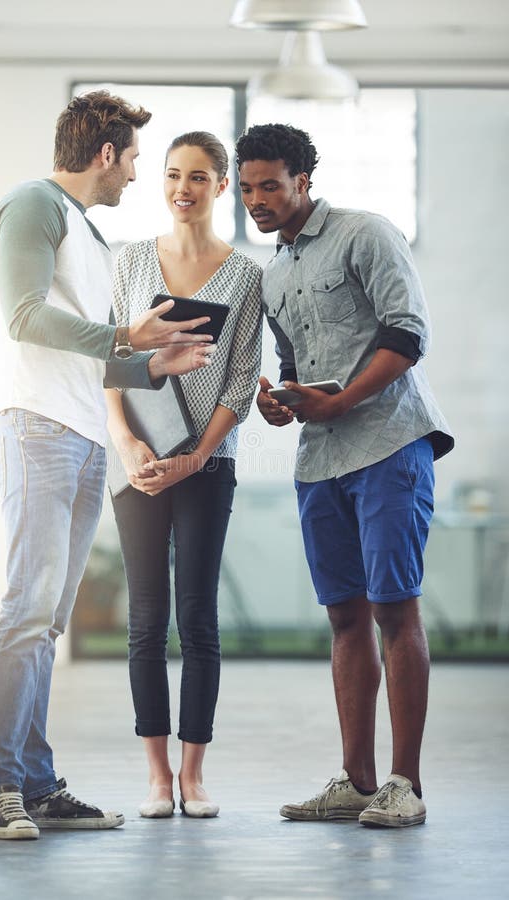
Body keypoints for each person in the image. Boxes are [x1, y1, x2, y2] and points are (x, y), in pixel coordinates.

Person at [0, 91, 217, 841]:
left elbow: (91, 357)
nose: (139, 175)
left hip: (79, 434)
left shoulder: (86, 234)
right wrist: (125, 335)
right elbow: (24, 316)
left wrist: (152, 363)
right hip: (35, 427)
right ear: (105, 153)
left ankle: (38, 786)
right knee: (26, 612)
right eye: (136, 158)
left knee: (46, 622)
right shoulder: (33, 204)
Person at [236, 123, 454, 828]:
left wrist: (341, 401)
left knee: (396, 609)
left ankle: (405, 783)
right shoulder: (273, 274)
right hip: (321, 461)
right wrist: (282, 403)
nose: (257, 200)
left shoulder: (366, 233)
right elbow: (298, 369)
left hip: (390, 446)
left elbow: (406, 334)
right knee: (344, 615)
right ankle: (358, 781)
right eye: (246, 188)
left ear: (303, 179)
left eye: (270, 184)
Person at [105, 131, 262, 819]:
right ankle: (156, 777)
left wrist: (197, 456)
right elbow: (108, 357)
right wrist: (126, 441)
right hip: (138, 461)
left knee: (198, 618)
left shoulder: (246, 275)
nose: (182, 188)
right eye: (172, 174)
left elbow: (240, 378)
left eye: (199, 176)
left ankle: (194, 776)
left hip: (205, 463)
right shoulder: (130, 261)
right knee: (145, 621)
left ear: (221, 186)